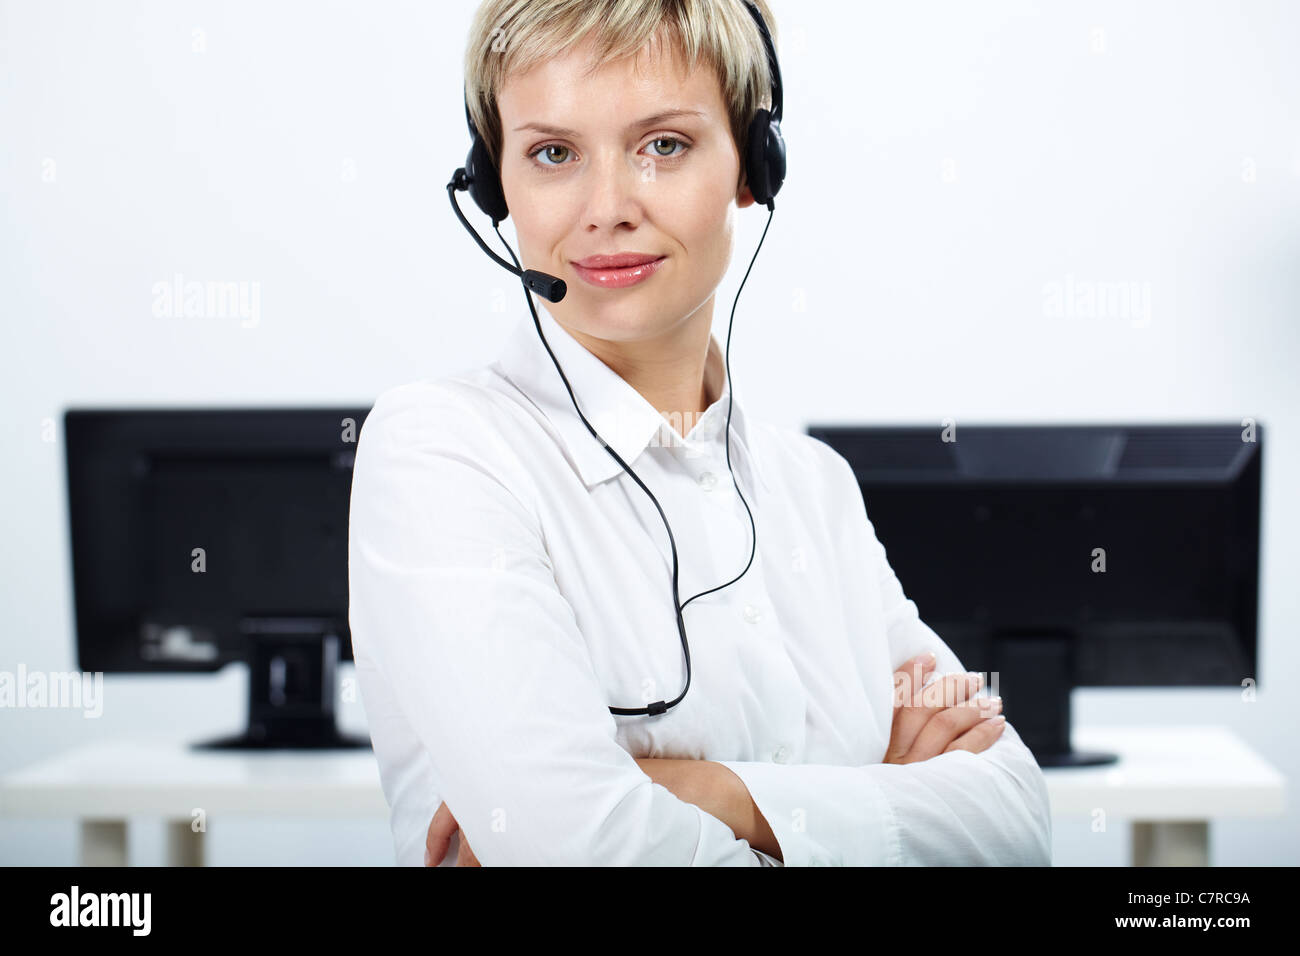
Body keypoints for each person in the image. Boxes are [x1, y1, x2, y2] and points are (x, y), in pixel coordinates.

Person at [348, 0, 1052, 866]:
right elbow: (583, 848)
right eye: (553, 153)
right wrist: (882, 814)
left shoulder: (814, 488)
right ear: (497, 183)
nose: (607, 208)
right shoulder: (443, 454)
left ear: (756, 166)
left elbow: (1016, 818)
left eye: (664, 145)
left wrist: (708, 791)